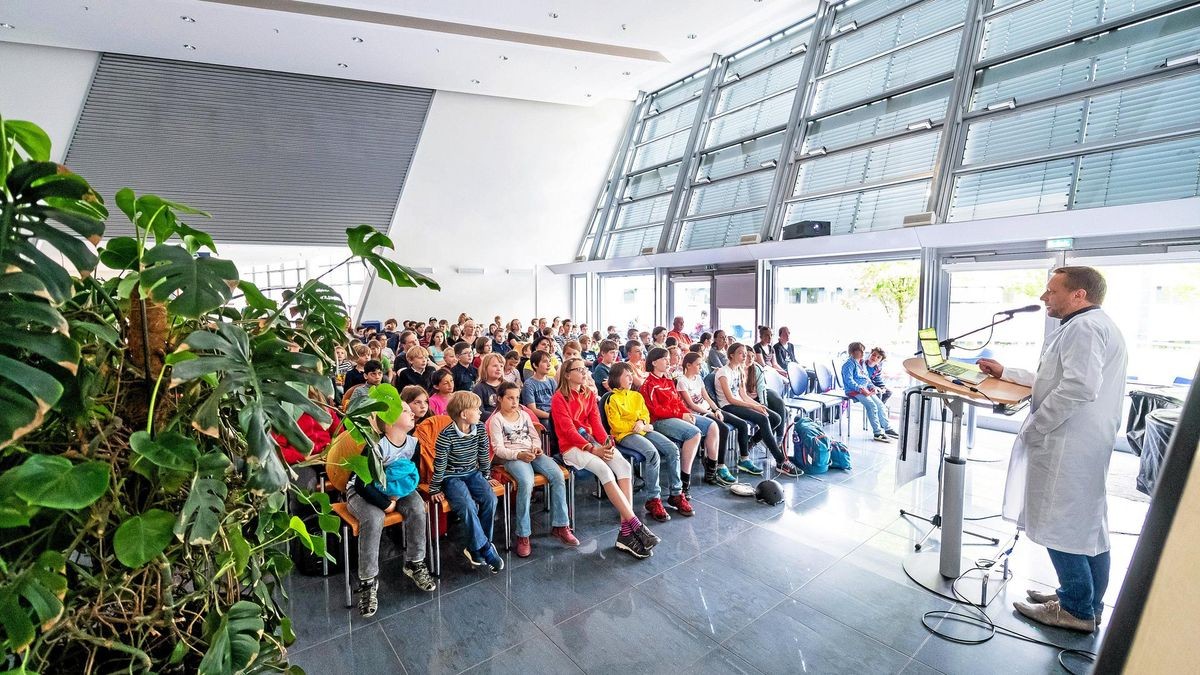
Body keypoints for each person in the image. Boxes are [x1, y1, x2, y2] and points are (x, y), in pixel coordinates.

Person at [979, 267, 1128, 633]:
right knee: (1088, 526)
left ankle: (1075, 609)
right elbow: (1056, 378)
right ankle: (1085, 602)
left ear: (1079, 295)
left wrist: (1037, 426)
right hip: (1083, 442)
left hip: (1068, 442)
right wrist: (1007, 372)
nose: (1044, 297)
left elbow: (1077, 388)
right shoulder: (1095, 325)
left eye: (1051, 291)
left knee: (1061, 524)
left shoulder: (1084, 328)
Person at [551, 357, 658, 559]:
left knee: (624, 466)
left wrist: (606, 442)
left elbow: (595, 422)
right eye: (578, 370)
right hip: (572, 447)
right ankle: (634, 525)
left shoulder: (589, 394)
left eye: (584, 369)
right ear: (567, 374)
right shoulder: (559, 398)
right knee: (604, 470)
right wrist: (594, 448)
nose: (584, 373)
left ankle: (625, 532)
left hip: (593, 442)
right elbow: (568, 430)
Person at [346, 406, 436, 617]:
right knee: (375, 518)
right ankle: (367, 581)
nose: (412, 412)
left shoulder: (413, 444)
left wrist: (395, 496)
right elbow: (361, 484)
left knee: (416, 507)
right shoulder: (376, 446)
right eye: (405, 410)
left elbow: (410, 475)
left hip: (395, 489)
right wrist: (386, 504)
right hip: (362, 492)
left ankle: (415, 562)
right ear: (388, 421)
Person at [488, 382, 578, 557]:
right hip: (513, 457)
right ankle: (523, 534)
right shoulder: (496, 420)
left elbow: (534, 437)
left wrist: (537, 448)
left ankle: (560, 525)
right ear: (500, 399)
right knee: (526, 482)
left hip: (532, 453)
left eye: (517, 398)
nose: (515, 402)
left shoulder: (524, 415)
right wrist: (519, 455)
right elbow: (498, 449)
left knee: (557, 475)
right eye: (510, 398)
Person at [430, 391, 504, 573]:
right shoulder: (445, 436)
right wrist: (434, 488)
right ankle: (486, 548)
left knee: (490, 499)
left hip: (473, 473)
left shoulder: (479, 428)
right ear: (464, 414)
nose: (480, 412)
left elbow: (483, 454)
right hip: (451, 476)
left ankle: (476, 547)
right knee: (467, 505)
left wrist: (486, 476)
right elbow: (439, 464)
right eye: (476, 409)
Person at [605, 362, 680, 522]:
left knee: (673, 449)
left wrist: (641, 421)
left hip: (643, 429)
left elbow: (645, 414)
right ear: (616, 378)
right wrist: (637, 426)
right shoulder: (612, 399)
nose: (631, 378)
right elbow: (616, 425)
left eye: (631, 374)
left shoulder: (636, 396)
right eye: (627, 375)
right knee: (652, 454)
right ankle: (653, 499)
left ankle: (676, 493)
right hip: (624, 435)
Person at [716, 343, 798, 476]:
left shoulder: (739, 371)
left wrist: (758, 405)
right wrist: (753, 406)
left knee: (775, 418)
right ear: (732, 355)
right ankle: (780, 460)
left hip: (739, 403)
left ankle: (751, 442)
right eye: (741, 353)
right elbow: (730, 399)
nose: (744, 356)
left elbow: (743, 395)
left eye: (745, 353)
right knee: (762, 418)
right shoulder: (723, 372)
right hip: (728, 407)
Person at [641, 348, 702, 504]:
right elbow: (655, 410)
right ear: (654, 362)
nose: (668, 361)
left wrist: (686, 414)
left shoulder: (668, 381)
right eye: (664, 359)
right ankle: (682, 481)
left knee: (698, 430)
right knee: (694, 433)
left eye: (668, 358)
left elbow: (677, 401)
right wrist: (680, 415)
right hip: (658, 422)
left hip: (673, 417)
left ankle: (680, 486)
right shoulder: (649, 384)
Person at [676, 353, 740, 485]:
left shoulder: (698, 378)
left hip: (708, 409)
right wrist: (709, 412)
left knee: (739, 423)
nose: (701, 366)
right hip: (698, 413)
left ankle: (713, 467)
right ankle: (716, 468)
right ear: (688, 365)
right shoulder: (682, 381)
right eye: (698, 364)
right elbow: (691, 405)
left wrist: (716, 409)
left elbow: (707, 397)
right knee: (722, 428)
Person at [841, 342, 897, 442]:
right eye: (860, 351)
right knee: (872, 406)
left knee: (880, 405)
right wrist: (861, 390)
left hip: (865, 389)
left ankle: (887, 429)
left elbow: (867, 378)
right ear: (853, 352)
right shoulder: (848, 364)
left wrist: (872, 387)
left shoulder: (862, 363)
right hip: (853, 390)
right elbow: (848, 381)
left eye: (863, 351)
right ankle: (878, 433)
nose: (863, 353)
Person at [520, 351, 556, 427]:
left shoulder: (551, 381)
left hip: (554, 413)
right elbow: (532, 409)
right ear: (535, 365)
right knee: (548, 424)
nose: (549, 364)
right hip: (541, 417)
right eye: (545, 362)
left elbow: (558, 401)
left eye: (549, 361)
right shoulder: (529, 384)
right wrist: (551, 416)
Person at [472, 353, 505, 418]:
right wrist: (499, 417)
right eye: (495, 366)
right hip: (488, 422)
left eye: (501, 366)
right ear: (485, 368)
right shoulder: (479, 388)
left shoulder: (507, 385)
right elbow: (480, 411)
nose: (499, 369)